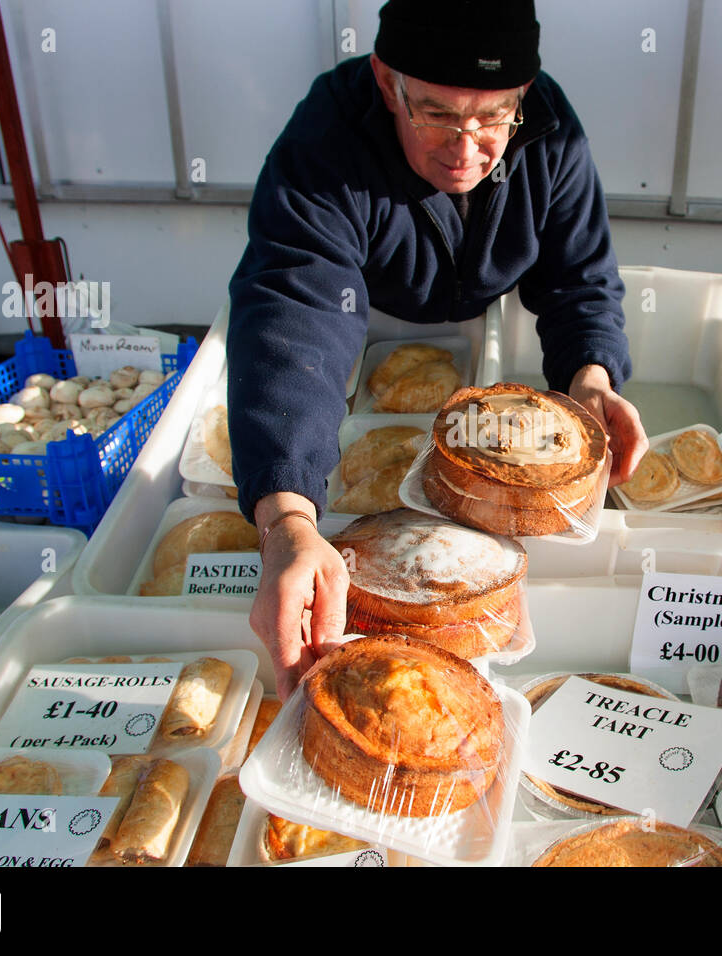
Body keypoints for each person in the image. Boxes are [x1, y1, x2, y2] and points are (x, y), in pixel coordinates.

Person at [226, 0, 647, 695]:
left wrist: (590, 376)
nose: (466, 147)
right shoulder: (326, 140)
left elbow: (579, 274)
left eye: (492, 117)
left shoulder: (547, 129)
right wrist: (286, 517)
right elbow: (295, 314)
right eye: (438, 114)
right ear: (386, 78)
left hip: (478, 329)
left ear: (523, 97)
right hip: (360, 325)